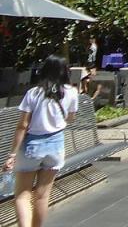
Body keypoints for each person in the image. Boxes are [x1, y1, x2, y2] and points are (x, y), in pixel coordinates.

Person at [3, 55, 79, 227]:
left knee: (22, 194)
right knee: (42, 195)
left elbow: (22, 125)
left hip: (32, 146)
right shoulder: (72, 92)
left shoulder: (34, 93)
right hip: (56, 146)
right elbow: (71, 118)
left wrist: (12, 154)